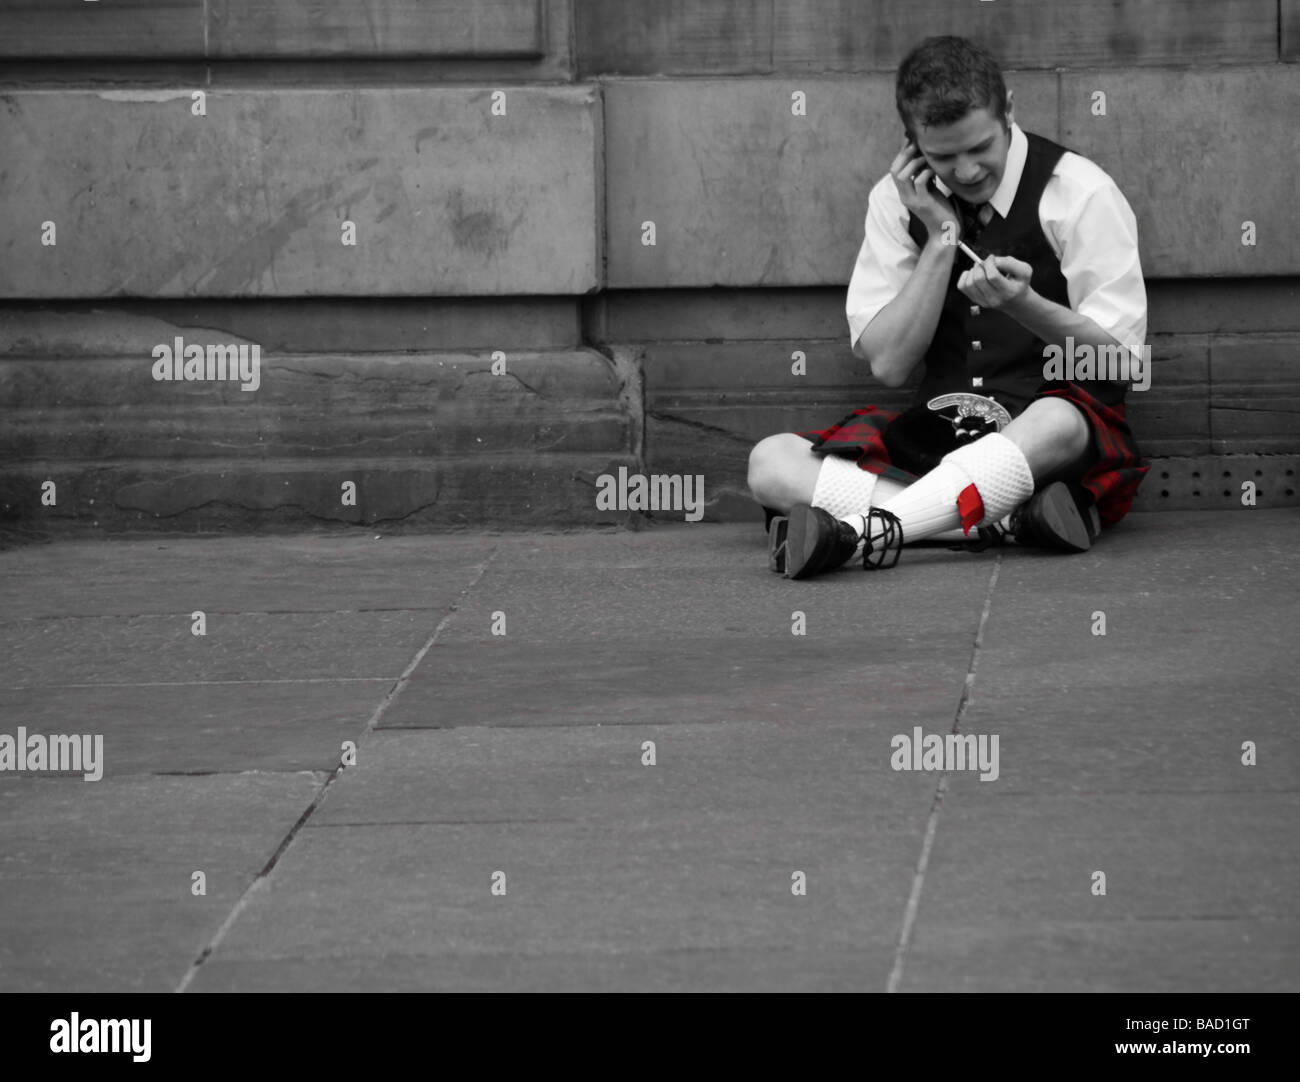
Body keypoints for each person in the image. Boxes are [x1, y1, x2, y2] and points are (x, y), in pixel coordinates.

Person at [747, 35, 1149, 579]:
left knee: (1059, 420)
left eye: (980, 147)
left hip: (1045, 442)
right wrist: (940, 240)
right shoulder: (895, 201)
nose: (966, 172)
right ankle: (1004, 525)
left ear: (1008, 110)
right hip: (932, 438)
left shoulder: (1079, 191)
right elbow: (890, 365)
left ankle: (860, 533)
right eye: (942, 156)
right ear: (911, 144)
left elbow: (1123, 363)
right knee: (770, 462)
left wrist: (1026, 305)